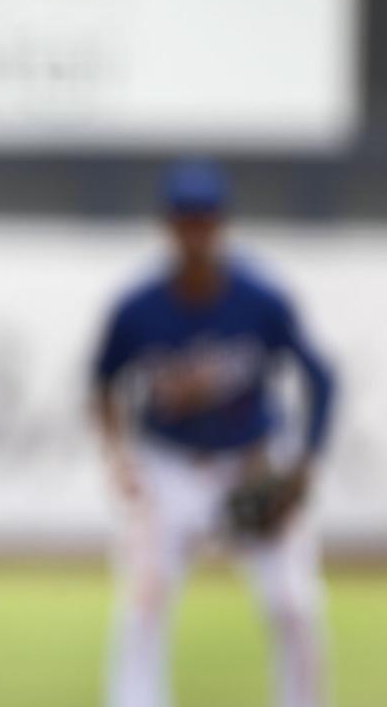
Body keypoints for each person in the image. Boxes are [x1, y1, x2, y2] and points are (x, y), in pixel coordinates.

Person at [91, 160, 335, 707]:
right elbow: (103, 385)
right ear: (169, 226)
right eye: (185, 219)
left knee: (294, 604)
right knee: (143, 602)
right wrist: (119, 458)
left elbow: (322, 377)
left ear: (222, 224)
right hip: (168, 468)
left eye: (205, 219)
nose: (195, 231)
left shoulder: (260, 299)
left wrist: (303, 465)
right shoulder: (138, 309)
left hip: (251, 461)